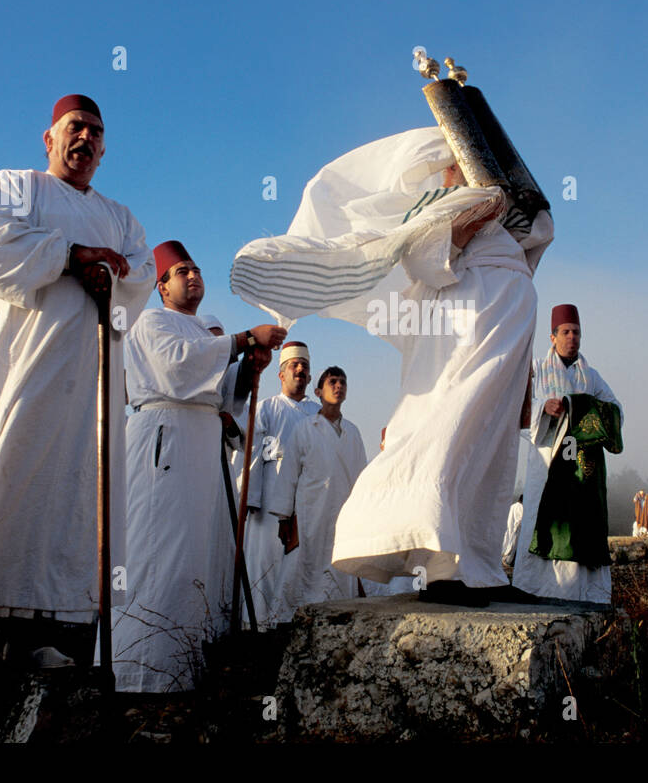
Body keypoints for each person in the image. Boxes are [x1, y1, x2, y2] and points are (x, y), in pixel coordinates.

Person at [231, 127, 553, 606]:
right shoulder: (443, 205)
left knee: (493, 441)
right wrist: (479, 209)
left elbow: (537, 237)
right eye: (460, 163)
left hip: (508, 317)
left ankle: (480, 567)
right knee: (451, 425)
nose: (469, 169)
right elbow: (424, 260)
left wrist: (508, 209)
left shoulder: (508, 215)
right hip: (462, 321)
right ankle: (436, 565)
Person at [0, 94, 156, 682]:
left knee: (70, 490)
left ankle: (41, 629)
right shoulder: (19, 186)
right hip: (26, 358)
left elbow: (141, 271)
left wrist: (109, 269)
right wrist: (69, 256)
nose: (84, 139)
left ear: (105, 148)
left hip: (91, 371)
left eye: (95, 132)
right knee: (10, 469)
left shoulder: (120, 215)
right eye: (74, 128)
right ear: (49, 137)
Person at [111, 240, 284, 692]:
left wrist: (248, 368)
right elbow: (179, 371)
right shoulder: (152, 322)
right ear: (161, 287)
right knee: (158, 547)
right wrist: (245, 340)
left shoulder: (203, 330)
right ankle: (140, 668)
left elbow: (222, 395)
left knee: (198, 550)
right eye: (182, 272)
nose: (193, 277)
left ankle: (186, 664)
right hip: (164, 438)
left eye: (197, 270)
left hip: (203, 443)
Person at [511, 304, 623, 603]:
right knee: (543, 517)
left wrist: (582, 407)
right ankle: (536, 588)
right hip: (547, 462)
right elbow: (518, 408)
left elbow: (616, 412)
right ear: (552, 337)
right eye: (566, 332)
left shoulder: (592, 377)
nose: (572, 337)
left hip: (582, 466)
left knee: (582, 522)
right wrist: (543, 408)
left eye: (576, 332)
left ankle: (583, 592)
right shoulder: (535, 370)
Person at [268, 366, 367, 619]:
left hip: (344, 514)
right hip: (310, 513)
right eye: (332, 382)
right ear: (319, 391)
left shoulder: (353, 432)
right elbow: (289, 474)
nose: (338, 386)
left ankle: (340, 617)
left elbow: (361, 477)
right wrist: (284, 518)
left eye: (343, 382)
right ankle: (286, 622)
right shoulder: (304, 428)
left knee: (341, 569)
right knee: (302, 570)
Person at [244, 342, 320, 626]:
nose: (300, 370)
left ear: (311, 377)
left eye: (305, 366)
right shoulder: (266, 409)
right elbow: (251, 457)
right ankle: (262, 628)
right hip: (269, 506)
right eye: (294, 365)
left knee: (303, 569)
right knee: (267, 567)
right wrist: (250, 499)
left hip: (309, 506)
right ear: (281, 374)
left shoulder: (319, 413)